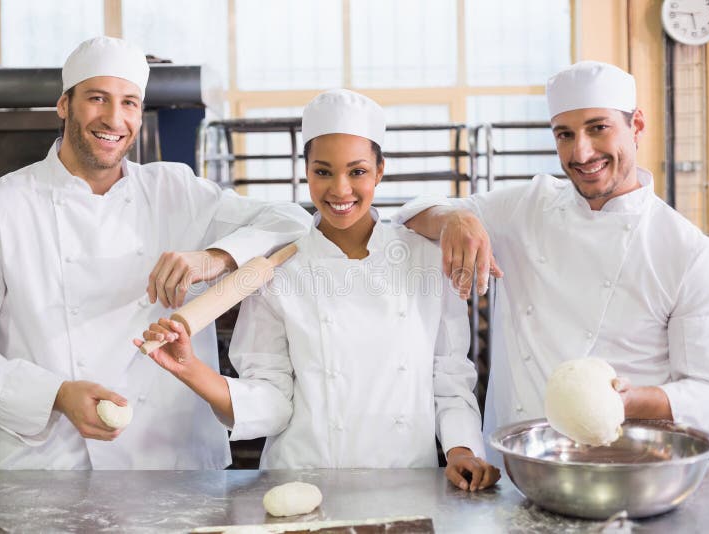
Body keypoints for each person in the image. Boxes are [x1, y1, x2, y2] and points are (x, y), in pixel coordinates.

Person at [0, 36, 310, 469]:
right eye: (97, 98)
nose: (115, 118)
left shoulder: (176, 190)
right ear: (64, 105)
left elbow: (293, 222)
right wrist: (55, 395)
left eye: (129, 102)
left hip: (172, 461)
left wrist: (216, 257)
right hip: (51, 465)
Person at [137, 89, 501, 491]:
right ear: (306, 171)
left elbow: (448, 379)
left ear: (380, 171)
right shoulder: (277, 268)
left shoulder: (426, 259)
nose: (340, 190)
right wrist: (192, 370)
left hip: (404, 483)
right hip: (301, 484)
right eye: (323, 172)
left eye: (357, 171)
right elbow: (273, 399)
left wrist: (463, 451)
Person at [395, 61, 709, 455]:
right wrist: (454, 217)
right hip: (513, 472)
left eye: (598, 128)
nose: (581, 152)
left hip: (625, 470)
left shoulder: (690, 252)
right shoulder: (524, 207)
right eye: (565, 134)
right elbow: (411, 212)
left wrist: (625, 402)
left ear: (637, 125)